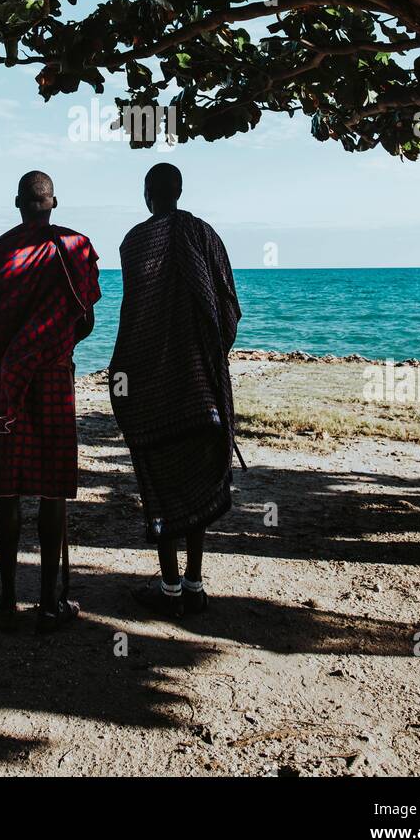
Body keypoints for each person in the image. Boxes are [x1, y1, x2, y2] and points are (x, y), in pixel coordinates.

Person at [0, 171, 100, 633]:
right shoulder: (76, 249)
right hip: (53, 381)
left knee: (7, 488)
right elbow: (84, 321)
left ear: (17, 203)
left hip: (7, 382)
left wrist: (9, 357)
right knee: (53, 487)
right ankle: (49, 603)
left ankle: (7, 602)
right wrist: (50, 346)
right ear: (53, 202)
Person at [109, 163, 241, 618]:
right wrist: (210, 355)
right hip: (200, 384)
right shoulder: (206, 235)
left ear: (148, 195)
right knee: (199, 481)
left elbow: (135, 316)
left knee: (161, 482)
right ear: (179, 191)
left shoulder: (134, 243)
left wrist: (127, 370)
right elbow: (228, 309)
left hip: (150, 384)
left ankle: (168, 587)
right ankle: (195, 585)